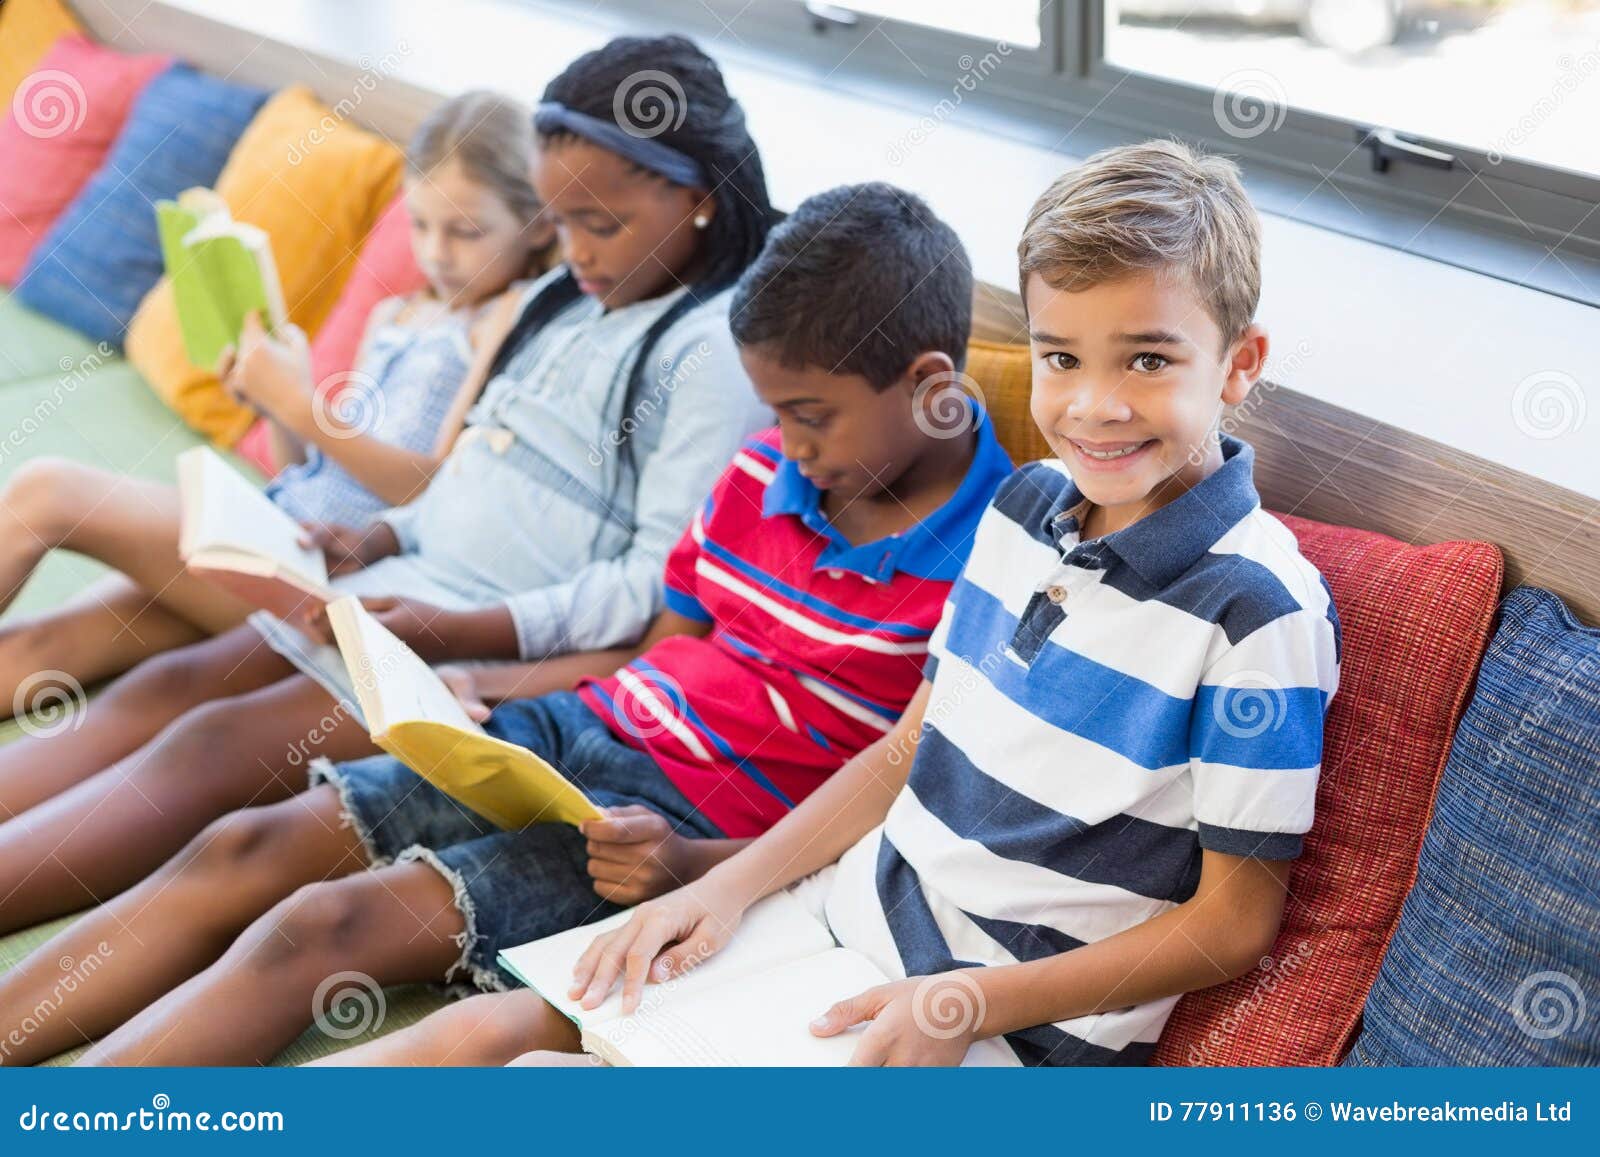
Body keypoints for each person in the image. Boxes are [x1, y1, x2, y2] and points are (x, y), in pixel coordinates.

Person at [2, 183, 1015, 1067]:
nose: (786, 443)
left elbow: (899, 805)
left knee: (320, 924)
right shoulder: (767, 475)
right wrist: (495, 692)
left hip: (674, 829)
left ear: (930, 388)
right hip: (566, 734)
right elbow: (657, 649)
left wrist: (691, 870)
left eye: (810, 415)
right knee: (240, 845)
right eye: (774, 413)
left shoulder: (1000, 560)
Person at [443, 139, 1339, 1068]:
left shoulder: (1258, 612)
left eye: (1148, 360)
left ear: (1239, 365)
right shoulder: (1023, 507)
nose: (1095, 406)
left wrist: (966, 1000)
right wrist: (724, 889)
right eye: (1062, 357)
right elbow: (909, 744)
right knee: (490, 1033)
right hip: (838, 924)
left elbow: (1235, 924)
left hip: (995, 1028)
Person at [0, 35, 775, 942]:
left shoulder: (710, 352)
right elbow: (470, 475)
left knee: (205, 758)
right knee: (164, 692)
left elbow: (653, 585)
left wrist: (463, 638)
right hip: (394, 597)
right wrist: (381, 537)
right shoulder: (566, 296)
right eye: (561, 223)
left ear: (702, 202)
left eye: (600, 225)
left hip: (468, 652)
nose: (575, 252)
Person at [0, 90, 555, 712]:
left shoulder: (506, 318)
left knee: (48, 491)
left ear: (536, 224)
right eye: (421, 225)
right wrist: (274, 403)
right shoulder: (396, 313)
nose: (437, 252)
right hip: (277, 524)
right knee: (41, 648)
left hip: (326, 573)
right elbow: (307, 470)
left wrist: (295, 403)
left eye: (467, 230)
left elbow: (429, 490)